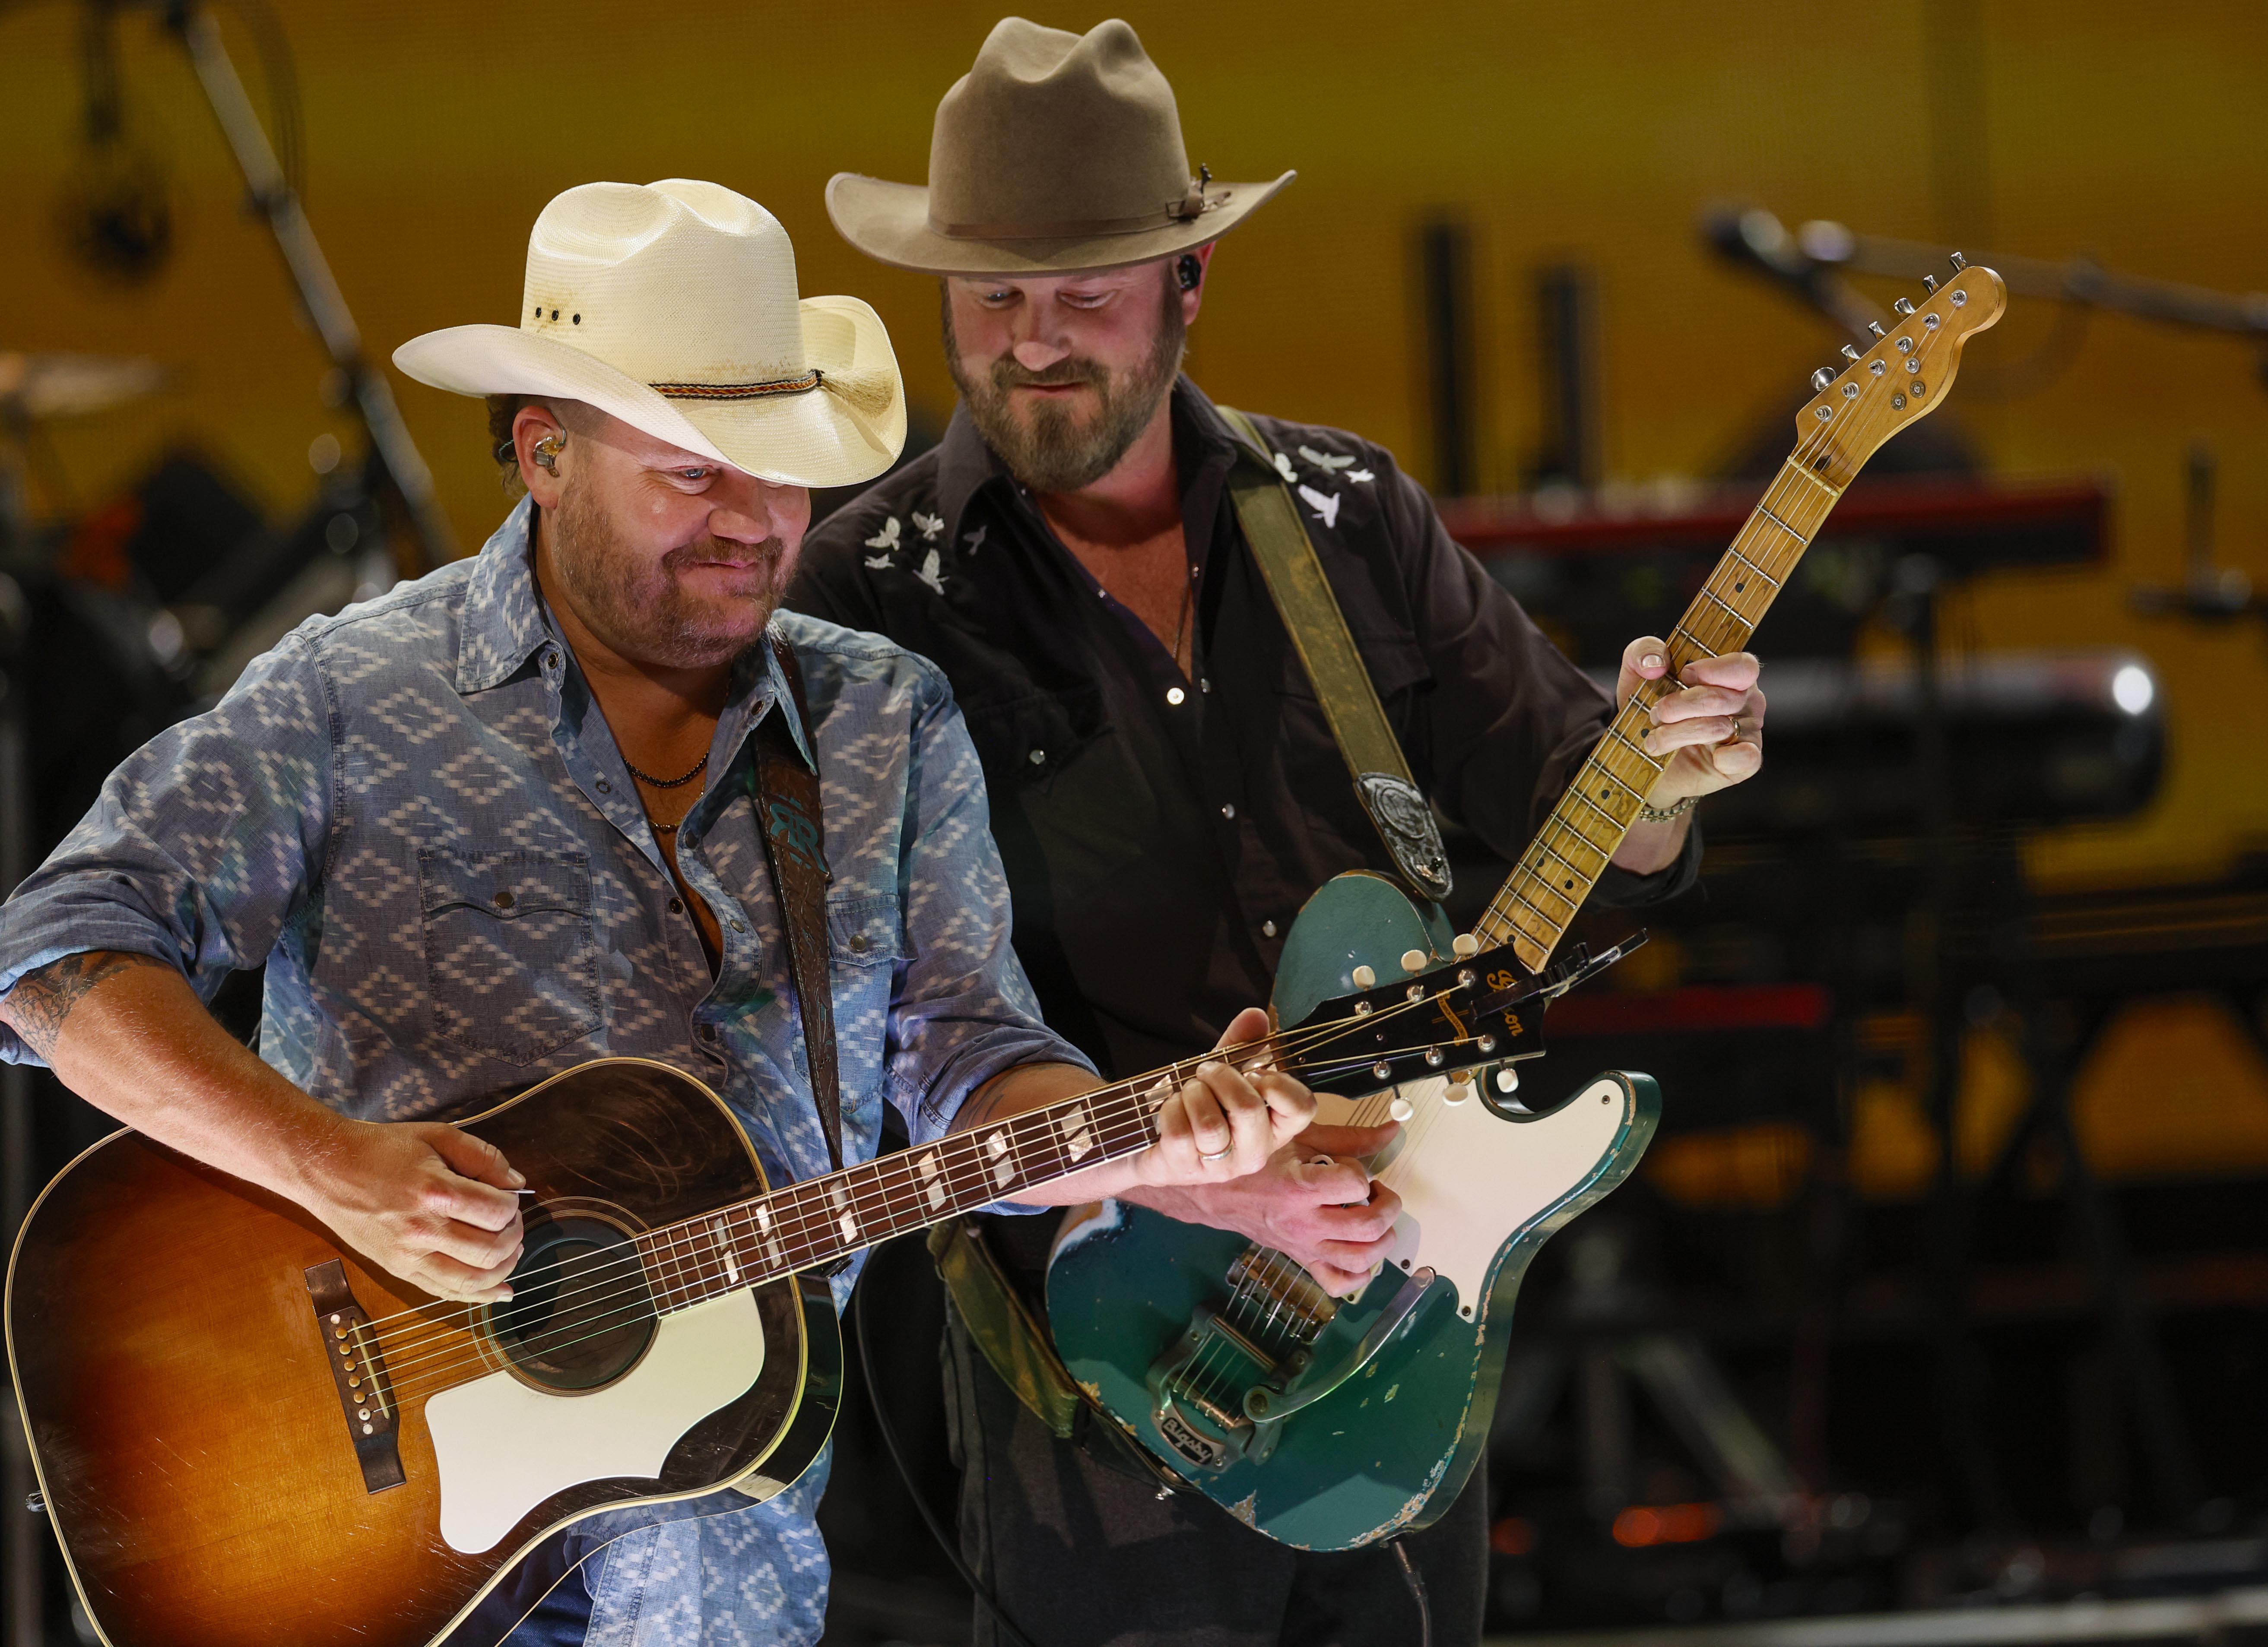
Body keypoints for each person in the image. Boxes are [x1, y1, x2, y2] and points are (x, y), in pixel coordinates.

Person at [0, 178, 1313, 1647]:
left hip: (724, 1543)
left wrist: (1139, 1141)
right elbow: (52, 959)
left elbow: (963, 1058)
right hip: (362, 1517)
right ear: (544, 455)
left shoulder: (880, 720)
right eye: (695, 472)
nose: (753, 521)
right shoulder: (353, 694)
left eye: (783, 472)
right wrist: (333, 1169)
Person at [791, 19, 1769, 1647]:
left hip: (1399, 1312)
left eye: (1084, 295)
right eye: (992, 298)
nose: (1033, 346)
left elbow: (1585, 837)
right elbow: (875, 1028)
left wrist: (1664, 784)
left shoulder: (1349, 514)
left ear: (1190, 282)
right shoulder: (863, 593)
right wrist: (1184, 1185)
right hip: (1102, 1367)